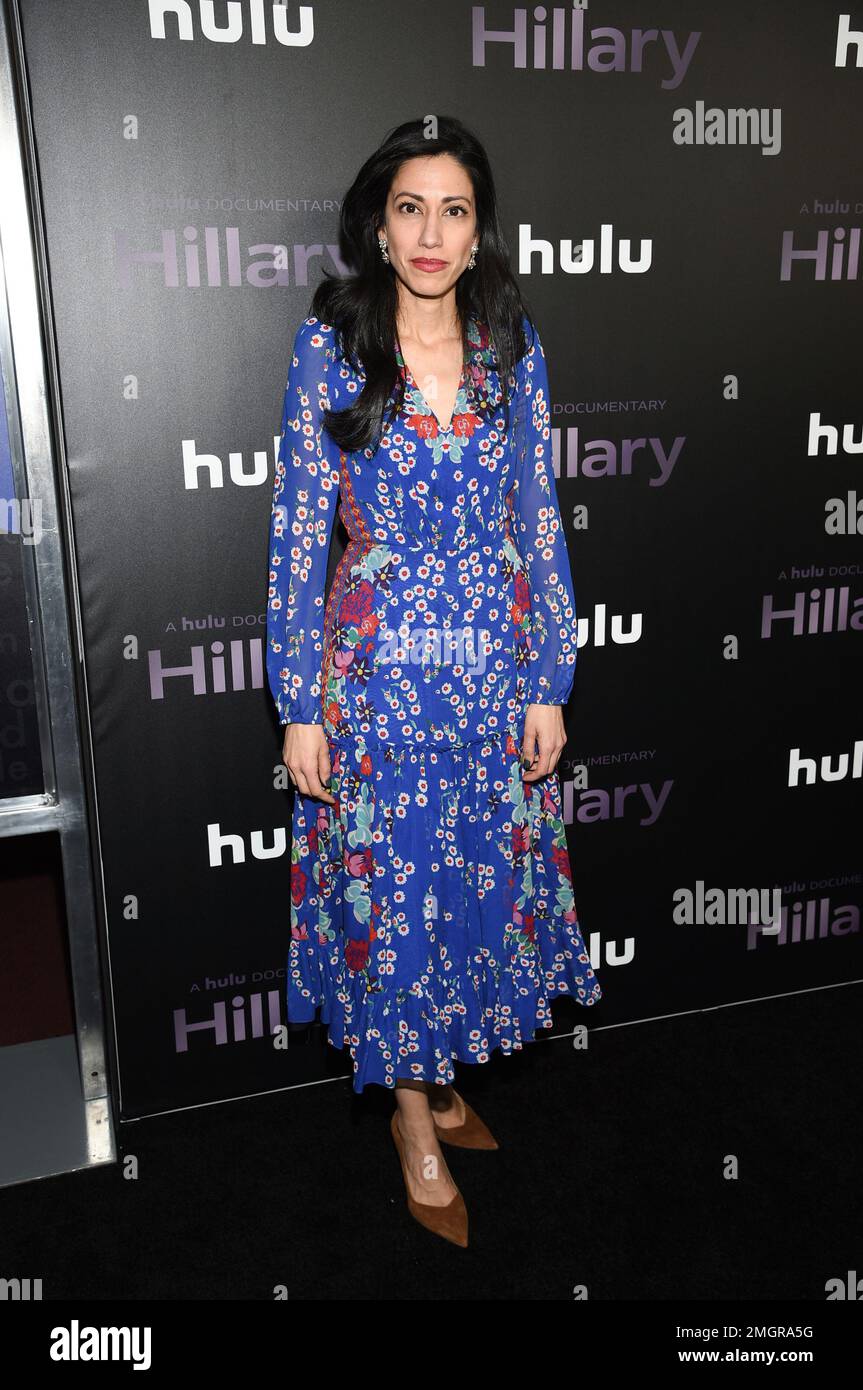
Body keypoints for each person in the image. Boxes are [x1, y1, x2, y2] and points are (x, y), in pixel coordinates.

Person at [266, 116, 602, 1248]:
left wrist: (548, 677)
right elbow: (296, 530)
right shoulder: (332, 345)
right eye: (409, 207)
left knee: (463, 897)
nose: (428, 231)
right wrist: (297, 702)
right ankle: (412, 1120)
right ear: (377, 221)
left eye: (452, 209)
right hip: (375, 679)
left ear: (476, 230)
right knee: (393, 910)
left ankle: (441, 1077)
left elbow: (537, 520)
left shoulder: (513, 343)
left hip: (492, 671)